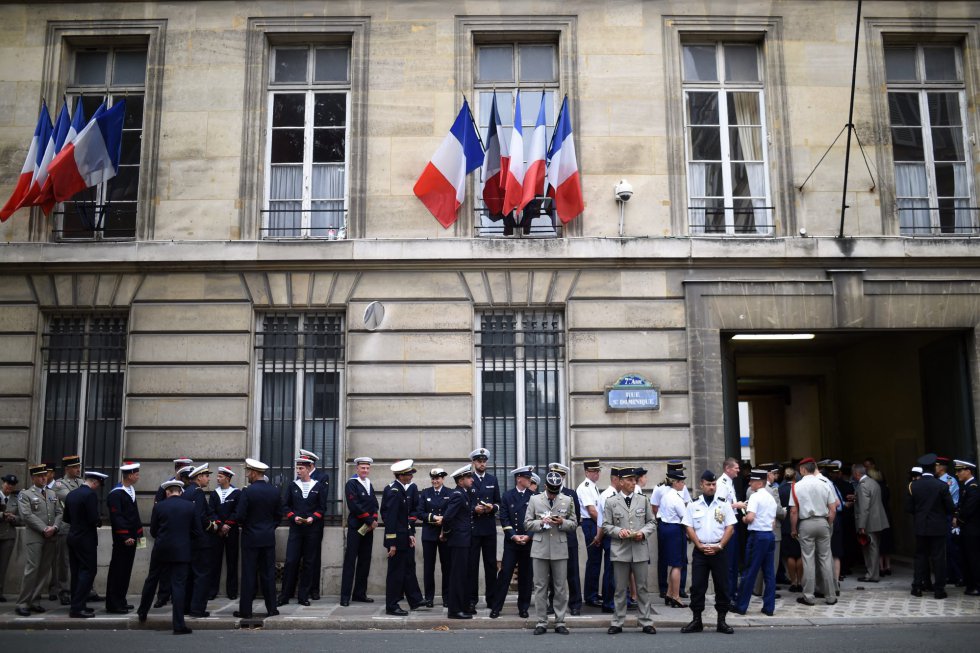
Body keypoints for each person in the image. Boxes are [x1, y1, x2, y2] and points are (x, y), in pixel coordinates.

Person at [136, 480, 201, 635]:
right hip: (182, 551)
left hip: (161, 549)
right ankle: (178, 625)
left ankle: (142, 611)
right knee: (178, 586)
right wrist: (184, 538)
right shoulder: (190, 506)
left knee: (152, 580)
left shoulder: (159, 506)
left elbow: (153, 531)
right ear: (180, 491)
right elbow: (197, 531)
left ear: (167, 492)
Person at [681, 469, 736, 635]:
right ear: (701, 485)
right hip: (701, 551)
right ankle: (697, 620)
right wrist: (698, 545)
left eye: (713, 484)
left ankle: (722, 621)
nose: (711, 487)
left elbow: (730, 527)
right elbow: (688, 526)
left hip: (719, 551)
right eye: (708, 484)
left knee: (722, 586)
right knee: (697, 586)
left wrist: (720, 545)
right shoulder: (693, 504)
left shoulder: (723, 504)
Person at [603, 467, 657, 635]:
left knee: (642, 588)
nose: (633, 483)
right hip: (620, 550)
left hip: (639, 549)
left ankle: (645, 621)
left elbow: (652, 522)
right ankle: (617, 621)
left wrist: (643, 533)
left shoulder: (643, 500)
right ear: (620, 482)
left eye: (634, 480)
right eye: (629, 480)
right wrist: (619, 531)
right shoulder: (611, 502)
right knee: (619, 589)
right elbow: (605, 525)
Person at [525, 468, 577, 635]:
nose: (553, 495)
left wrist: (562, 522)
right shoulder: (534, 499)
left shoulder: (567, 500)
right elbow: (527, 523)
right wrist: (541, 522)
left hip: (559, 548)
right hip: (540, 548)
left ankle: (560, 621)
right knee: (540, 587)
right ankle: (541, 622)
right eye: (551, 492)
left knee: (560, 587)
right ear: (546, 487)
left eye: (556, 492)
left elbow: (574, 523)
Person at [230, 458, 282, 619]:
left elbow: (239, 515)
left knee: (248, 574)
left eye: (248, 472)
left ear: (254, 473)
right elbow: (279, 515)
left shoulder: (247, 492)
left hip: (250, 538)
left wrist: (247, 525)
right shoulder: (274, 491)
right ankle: (272, 608)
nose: (247, 475)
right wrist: (269, 527)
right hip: (268, 537)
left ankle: (246, 611)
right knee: (268, 574)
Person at [14, 464, 63, 616]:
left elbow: (60, 512)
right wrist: (44, 528)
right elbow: (26, 515)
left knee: (44, 569)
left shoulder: (51, 493)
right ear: (33, 478)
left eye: (45, 475)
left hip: (51, 535)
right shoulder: (25, 494)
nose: (43, 478)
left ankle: (35, 600)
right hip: (35, 536)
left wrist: (55, 527)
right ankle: (23, 602)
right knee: (32, 569)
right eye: (40, 476)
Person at [278, 455, 327, 607]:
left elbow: (322, 508)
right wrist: (293, 517)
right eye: (297, 468)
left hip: (312, 530)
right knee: (291, 561)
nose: (298, 471)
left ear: (308, 469)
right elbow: (285, 506)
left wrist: (313, 517)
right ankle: (285, 595)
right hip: (296, 529)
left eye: (301, 468)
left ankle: (303, 596)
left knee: (309, 562)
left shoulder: (318, 486)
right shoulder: (292, 486)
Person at [789, 457, 837, 606]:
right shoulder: (824, 483)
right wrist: (828, 524)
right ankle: (830, 595)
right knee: (825, 558)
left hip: (806, 523)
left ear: (803, 470)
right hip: (823, 522)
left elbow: (793, 511)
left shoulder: (796, 486)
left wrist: (793, 528)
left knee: (808, 559)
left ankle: (809, 596)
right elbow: (833, 508)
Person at [906, 453, 955, 599]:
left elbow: (909, 508)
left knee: (920, 557)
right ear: (934, 467)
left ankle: (917, 587)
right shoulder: (942, 485)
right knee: (938, 558)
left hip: (921, 526)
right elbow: (950, 508)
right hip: (938, 527)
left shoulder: (913, 485)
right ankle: (939, 590)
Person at [490, 466, 534, 619]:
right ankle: (496, 607)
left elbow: (537, 519)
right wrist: (513, 536)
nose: (529, 481)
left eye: (530, 478)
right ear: (518, 478)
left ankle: (523, 607)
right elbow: (504, 518)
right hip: (512, 543)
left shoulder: (533, 496)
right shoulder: (508, 496)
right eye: (527, 478)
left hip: (528, 542)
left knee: (526, 576)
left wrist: (528, 536)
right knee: (505, 574)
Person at [380, 459, 424, 615]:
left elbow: (403, 518)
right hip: (396, 540)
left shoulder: (399, 489)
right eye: (409, 474)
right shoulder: (394, 491)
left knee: (406, 569)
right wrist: (392, 543)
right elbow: (391, 519)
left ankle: (414, 600)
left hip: (403, 537)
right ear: (401, 475)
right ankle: (391, 606)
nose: (411, 476)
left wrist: (410, 534)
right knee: (395, 573)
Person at [62, 470, 107, 618]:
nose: (98, 487)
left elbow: (66, 518)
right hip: (86, 538)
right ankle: (77, 607)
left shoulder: (72, 494)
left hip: (73, 536)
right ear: (94, 482)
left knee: (76, 572)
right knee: (88, 571)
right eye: (98, 484)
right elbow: (93, 518)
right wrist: (98, 521)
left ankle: (77, 604)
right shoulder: (90, 495)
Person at [733, 469, 778, 616]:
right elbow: (773, 522)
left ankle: (741, 606)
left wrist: (743, 518)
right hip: (769, 535)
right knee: (769, 573)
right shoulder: (770, 497)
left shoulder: (754, 496)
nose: (749, 483)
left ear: (759, 483)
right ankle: (769, 608)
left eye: (752, 481)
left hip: (757, 536)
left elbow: (750, 518)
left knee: (749, 571)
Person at [153, 458, 194, 608]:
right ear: (177, 470)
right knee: (164, 571)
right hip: (167, 535)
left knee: (182, 573)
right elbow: (157, 511)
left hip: (183, 536)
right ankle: (163, 596)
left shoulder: (189, 487)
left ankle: (179, 598)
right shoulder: (166, 487)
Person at [105, 461, 142, 614]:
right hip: (123, 539)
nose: (138, 476)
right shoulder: (116, 493)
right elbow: (117, 518)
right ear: (130, 475)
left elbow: (134, 515)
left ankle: (121, 600)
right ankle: (113, 603)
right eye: (137, 474)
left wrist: (139, 534)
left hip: (132, 538)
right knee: (118, 571)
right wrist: (125, 536)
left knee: (126, 571)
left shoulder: (130, 490)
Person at [340, 456, 377, 606]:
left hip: (368, 529)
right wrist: (369, 520)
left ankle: (360, 594)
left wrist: (374, 519)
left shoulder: (369, 483)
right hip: (356, 527)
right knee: (350, 561)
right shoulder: (351, 483)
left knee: (365, 561)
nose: (365, 470)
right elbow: (354, 505)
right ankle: (345, 596)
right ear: (357, 468)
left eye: (367, 468)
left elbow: (374, 504)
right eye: (363, 468)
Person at [467, 448, 501, 612]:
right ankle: (471, 599)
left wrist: (492, 508)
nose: (482, 464)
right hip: (473, 528)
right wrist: (474, 509)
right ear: (474, 462)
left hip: (488, 528)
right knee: (472, 566)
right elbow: (463, 504)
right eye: (479, 461)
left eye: (484, 461)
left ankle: (492, 598)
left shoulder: (492, 479)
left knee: (490, 565)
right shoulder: (469, 479)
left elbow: (498, 503)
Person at [652, 460, 691, 600]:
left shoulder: (671, 493)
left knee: (678, 562)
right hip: (673, 527)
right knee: (676, 563)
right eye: (681, 481)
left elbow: (687, 503)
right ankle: (674, 595)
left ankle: (674, 591)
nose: (684, 484)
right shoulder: (665, 490)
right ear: (675, 480)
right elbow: (684, 516)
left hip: (667, 526)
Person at [182, 463, 217, 618]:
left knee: (190, 576)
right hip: (200, 541)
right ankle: (197, 609)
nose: (208, 479)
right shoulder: (198, 493)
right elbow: (199, 517)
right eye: (206, 476)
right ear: (199, 477)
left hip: (188, 540)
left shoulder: (186, 492)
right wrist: (212, 527)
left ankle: (186, 607)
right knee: (202, 576)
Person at [548, 462, 583, 615]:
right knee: (553, 574)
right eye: (554, 475)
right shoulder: (545, 493)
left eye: (560, 475)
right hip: (552, 538)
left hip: (568, 538)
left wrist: (563, 522)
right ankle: (553, 603)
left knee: (572, 573)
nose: (557, 478)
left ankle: (575, 604)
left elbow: (577, 518)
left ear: (563, 477)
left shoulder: (571, 494)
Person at [49, 454, 83, 605]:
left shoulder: (81, 482)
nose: (78, 469)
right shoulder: (59, 484)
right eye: (75, 467)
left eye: (78, 466)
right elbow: (72, 499)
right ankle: (64, 590)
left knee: (83, 560)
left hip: (81, 527)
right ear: (67, 469)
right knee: (64, 561)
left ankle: (84, 589)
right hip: (66, 527)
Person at [442, 464, 475, 619]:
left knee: (463, 575)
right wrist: (448, 533)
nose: (472, 480)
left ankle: (462, 606)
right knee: (457, 575)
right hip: (459, 541)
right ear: (461, 481)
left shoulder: (464, 494)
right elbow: (447, 517)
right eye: (469, 477)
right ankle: (454, 610)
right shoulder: (458, 495)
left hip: (464, 540)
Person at [417, 468, 451, 608]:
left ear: (443, 479)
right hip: (429, 534)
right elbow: (420, 513)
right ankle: (429, 598)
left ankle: (447, 597)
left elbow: (452, 511)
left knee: (447, 567)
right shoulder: (425, 493)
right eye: (433, 478)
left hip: (445, 534)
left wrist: (444, 519)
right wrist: (433, 517)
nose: (435, 481)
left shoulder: (450, 493)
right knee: (428, 567)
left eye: (437, 478)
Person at [299, 448, 328, 600]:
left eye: (304, 464)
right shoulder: (299, 477)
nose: (300, 468)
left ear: (311, 464)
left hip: (315, 523)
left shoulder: (321, 477)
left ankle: (313, 589)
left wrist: (312, 517)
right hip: (299, 524)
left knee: (314, 557)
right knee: (298, 557)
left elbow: (321, 501)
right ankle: (300, 589)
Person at [752, 464, 785, 599]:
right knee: (772, 564)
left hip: (756, 530)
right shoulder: (772, 490)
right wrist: (785, 513)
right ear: (768, 475)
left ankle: (757, 588)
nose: (775, 476)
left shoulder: (751, 489)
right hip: (772, 529)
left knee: (758, 561)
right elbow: (778, 511)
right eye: (774, 474)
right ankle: (768, 591)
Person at [716, 458, 747, 603]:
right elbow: (719, 506)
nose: (738, 470)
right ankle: (728, 595)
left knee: (734, 562)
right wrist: (736, 505)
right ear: (727, 469)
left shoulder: (729, 482)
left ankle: (732, 592)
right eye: (736, 468)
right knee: (729, 563)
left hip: (733, 522)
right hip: (727, 525)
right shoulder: (722, 484)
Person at [852, 462, 889, 582]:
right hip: (877, 521)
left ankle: (871, 575)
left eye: (853, 473)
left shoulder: (862, 485)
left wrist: (861, 526)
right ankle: (874, 574)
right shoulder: (873, 482)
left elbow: (864, 508)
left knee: (869, 550)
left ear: (857, 473)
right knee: (874, 548)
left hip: (868, 522)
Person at [208, 466, 240, 600]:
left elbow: (238, 511)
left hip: (232, 531)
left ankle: (232, 591)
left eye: (220, 476)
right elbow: (211, 511)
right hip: (217, 531)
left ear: (227, 478)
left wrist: (228, 524)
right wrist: (221, 525)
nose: (217, 478)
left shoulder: (236, 493)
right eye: (218, 476)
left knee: (232, 561)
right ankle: (212, 591)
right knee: (214, 561)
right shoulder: (214, 494)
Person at [576, 459, 603, 608]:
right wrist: (603, 525)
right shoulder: (585, 487)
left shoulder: (593, 486)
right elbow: (592, 511)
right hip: (591, 524)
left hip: (594, 523)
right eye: (594, 471)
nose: (597, 473)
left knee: (596, 560)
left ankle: (593, 592)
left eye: (598, 471)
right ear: (587, 472)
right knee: (593, 560)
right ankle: (590, 596)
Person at [598, 467, 622, 613]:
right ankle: (608, 602)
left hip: (617, 535)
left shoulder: (616, 494)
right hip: (610, 536)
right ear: (615, 479)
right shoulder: (607, 495)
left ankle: (613, 600)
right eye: (622, 480)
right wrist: (598, 537)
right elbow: (603, 521)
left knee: (616, 570)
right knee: (611, 570)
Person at [953, 459, 978, 595]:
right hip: (967, 528)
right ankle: (971, 584)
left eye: (959, 471)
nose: (957, 474)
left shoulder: (973, 487)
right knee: (967, 557)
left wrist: (958, 520)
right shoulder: (966, 486)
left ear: (968, 471)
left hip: (973, 529)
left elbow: (969, 509)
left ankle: (976, 585)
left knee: (973, 558)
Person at [936, 456, 962, 586]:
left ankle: (959, 576)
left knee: (952, 547)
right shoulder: (937, 481)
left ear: (941, 467)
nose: (934, 468)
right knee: (944, 548)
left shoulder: (949, 481)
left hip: (949, 515)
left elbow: (946, 500)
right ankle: (949, 575)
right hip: (941, 516)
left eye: (936, 465)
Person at [779, 466, 802, 592]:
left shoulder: (780, 489)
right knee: (800, 555)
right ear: (795, 476)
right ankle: (800, 581)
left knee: (790, 556)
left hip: (786, 525)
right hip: (799, 523)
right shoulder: (798, 488)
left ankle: (793, 581)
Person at [0, 474, 20, 602]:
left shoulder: (16, 499)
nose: (9, 486)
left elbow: (22, 518)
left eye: (12, 485)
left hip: (8, 536)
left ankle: (0, 591)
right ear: (3, 484)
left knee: (3, 566)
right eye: (7, 483)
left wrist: (13, 518)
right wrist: (2, 515)